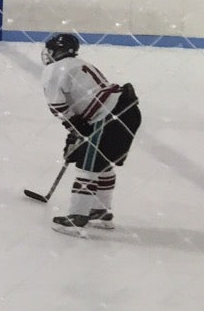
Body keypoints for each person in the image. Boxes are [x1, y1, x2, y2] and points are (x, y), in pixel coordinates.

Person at [39, 32, 142, 233]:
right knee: (102, 164)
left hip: (108, 119)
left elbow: (58, 107)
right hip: (128, 112)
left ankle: (78, 217)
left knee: (87, 168)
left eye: (51, 50)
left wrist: (75, 128)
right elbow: (87, 102)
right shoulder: (80, 64)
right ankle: (100, 211)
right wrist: (77, 131)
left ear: (57, 51)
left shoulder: (53, 70)